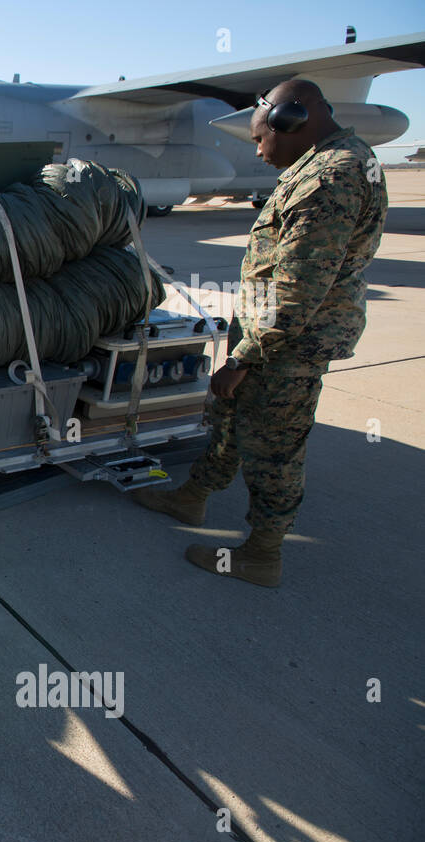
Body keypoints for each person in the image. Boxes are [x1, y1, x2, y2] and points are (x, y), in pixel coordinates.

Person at [133, 78, 388, 587]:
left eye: (258, 139)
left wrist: (243, 358)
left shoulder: (331, 177)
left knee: (274, 448)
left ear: (292, 120)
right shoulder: (329, 162)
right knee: (228, 421)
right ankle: (192, 498)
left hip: (285, 347)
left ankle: (263, 554)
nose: (258, 148)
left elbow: (299, 287)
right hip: (270, 335)